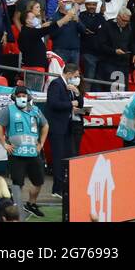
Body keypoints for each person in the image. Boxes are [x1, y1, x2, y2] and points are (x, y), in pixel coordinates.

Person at [0, 87, 49, 217]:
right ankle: (17, 210)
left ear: (28, 97)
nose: (22, 97)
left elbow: (45, 125)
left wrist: (41, 143)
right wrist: (4, 144)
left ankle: (31, 204)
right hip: (17, 154)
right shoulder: (8, 110)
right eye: (19, 95)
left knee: (39, 181)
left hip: (33, 154)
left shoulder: (35, 111)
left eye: (24, 95)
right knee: (17, 184)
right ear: (14, 97)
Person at [44, 63, 83, 199]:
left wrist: (77, 93)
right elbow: (53, 103)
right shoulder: (57, 84)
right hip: (57, 127)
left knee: (67, 156)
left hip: (68, 127)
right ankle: (57, 189)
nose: (77, 78)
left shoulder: (71, 86)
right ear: (70, 73)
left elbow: (80, 103)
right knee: (58, 157)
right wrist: (70, 104)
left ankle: (64, 187)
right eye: (76, 76)